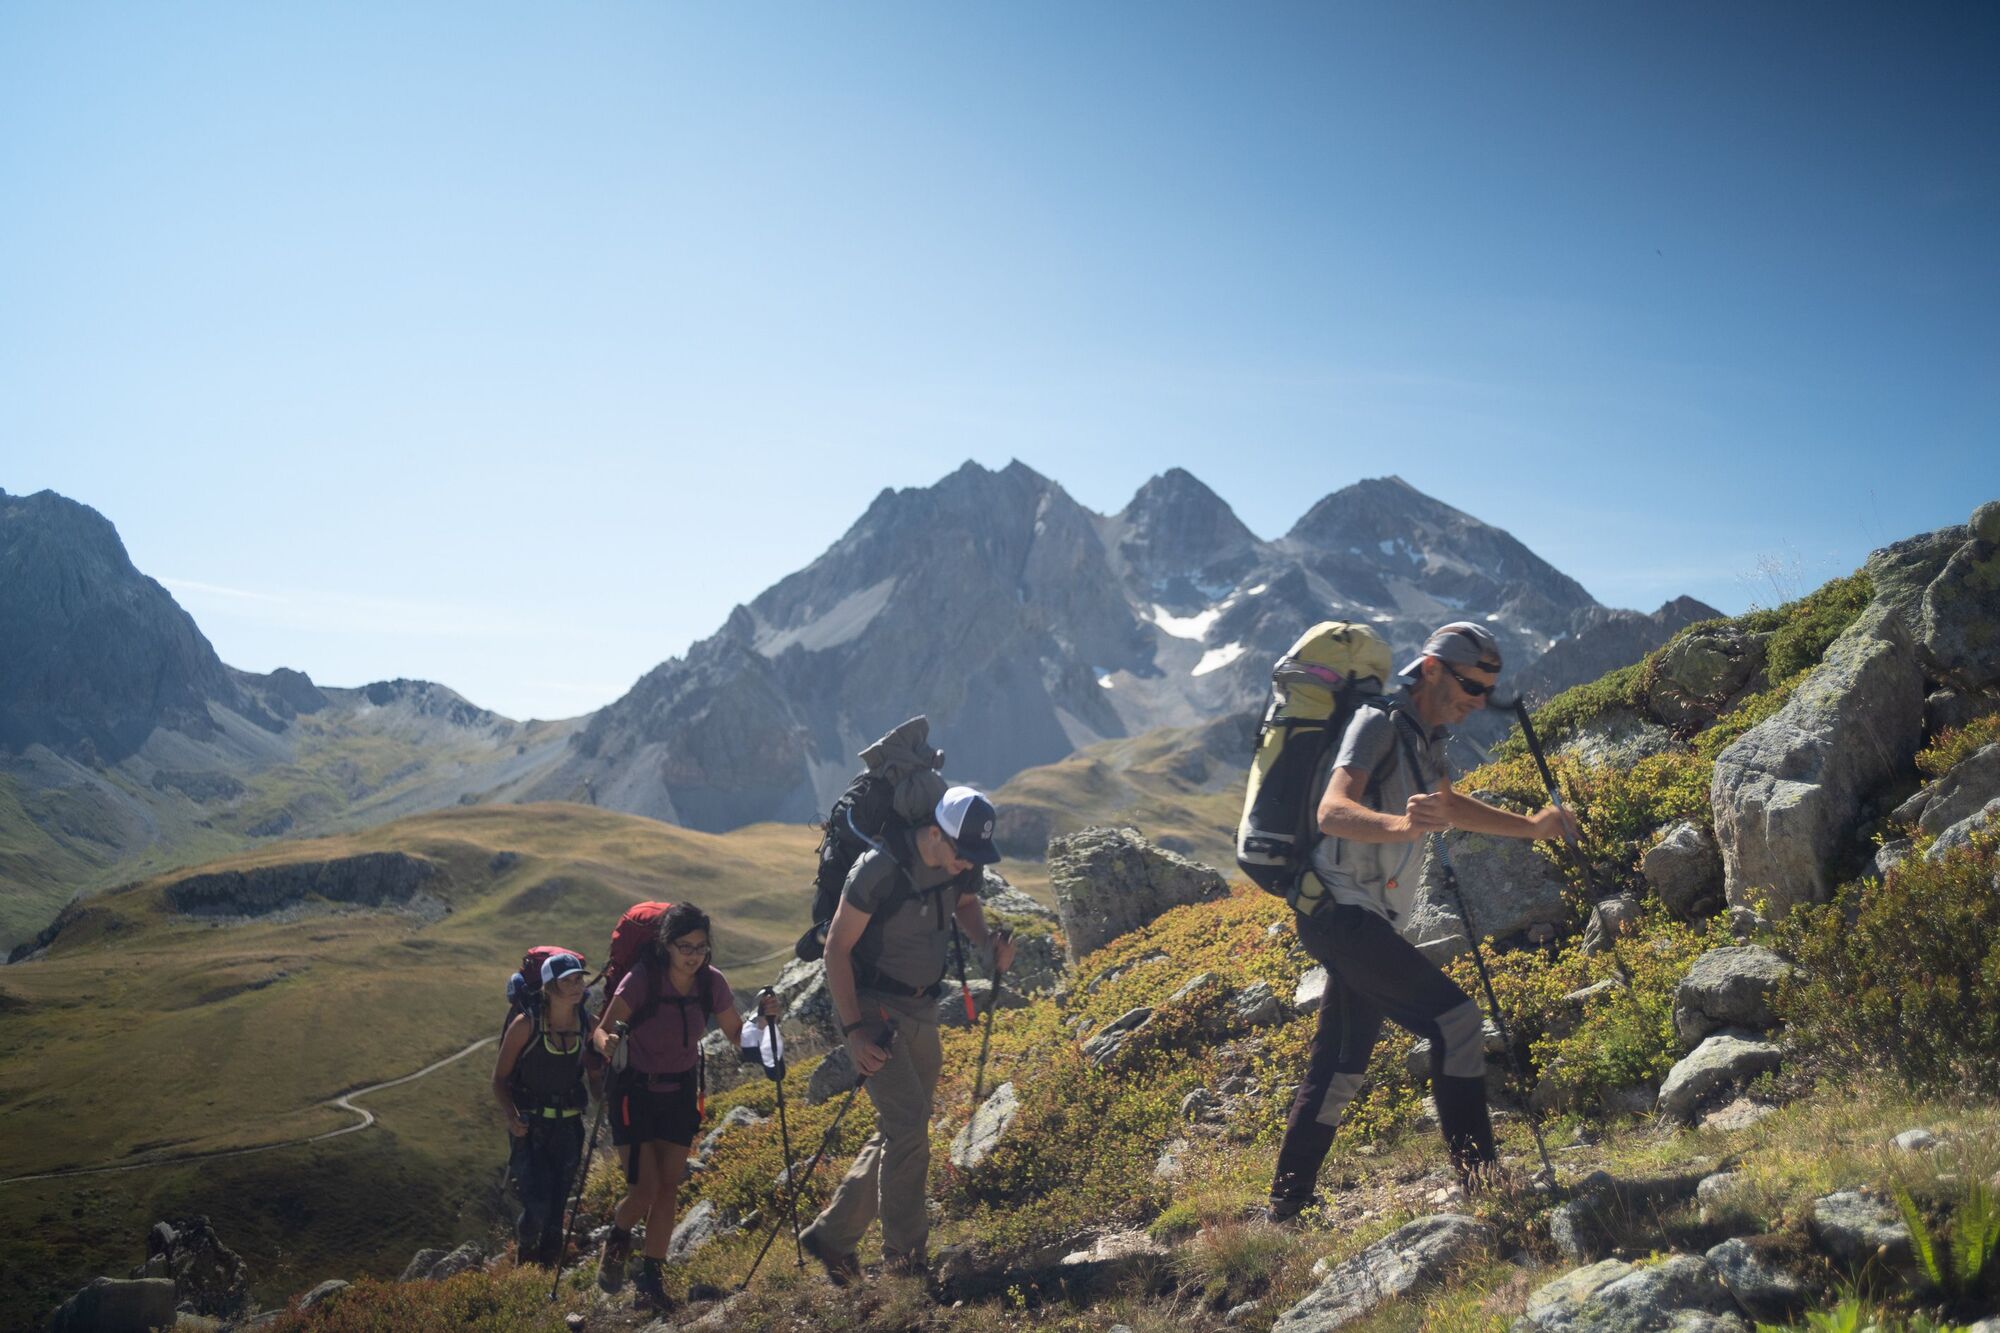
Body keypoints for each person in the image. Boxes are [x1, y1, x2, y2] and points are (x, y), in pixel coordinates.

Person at [1266, 621, 1579, 1221]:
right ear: (1432, 668)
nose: (1479, 699)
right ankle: (1484, 1186)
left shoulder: (1426, 736)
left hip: (1363, 918)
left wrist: (1532, 826)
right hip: (1338, 912)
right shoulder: (1378, 724)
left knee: (1340, 1063)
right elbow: (1333, 811)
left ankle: (1286, 1210)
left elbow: (1448, 806)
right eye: (1469, 684)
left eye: (1488, 688)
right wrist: (1402, 828)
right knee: (1457, 1021)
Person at [798, 785, 1016, 1284]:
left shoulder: (962, 862)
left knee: (904, 1127)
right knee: (909, 1124)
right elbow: (836, 950)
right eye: (963, 854)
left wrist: (988, 945)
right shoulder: (879, 869)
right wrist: (855, 1032)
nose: (968, 865)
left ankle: (832, 1237)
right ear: (934, 833)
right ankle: (905, 1263)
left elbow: (964, 905)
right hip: (874, 1008)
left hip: (922, 1005)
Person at [592, 902, 778, 1310]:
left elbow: (736, 1035)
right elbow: (602, 1029)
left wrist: (763, 1022)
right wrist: (607, 1044)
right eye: (684, 946)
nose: (693, 955)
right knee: (644, 1189)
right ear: (666, 945)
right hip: (633, 1092)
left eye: (700, 947)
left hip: (680, 1092)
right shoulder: (641, 980)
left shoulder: (711, 983)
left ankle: (651, 1281)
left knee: (669, 1188)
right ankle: (619, 1238)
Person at [491, 951, 604, 1266]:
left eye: (580, 978)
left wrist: (602, 1092)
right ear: (549, 987)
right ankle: (526, 1260)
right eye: (568, 980)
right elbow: (499, 1080)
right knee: (537, 1204)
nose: (578, 985)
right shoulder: (524, 1026)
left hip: (569, 1128)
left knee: (556, 1208)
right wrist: (512, 1118)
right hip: (530, 1129)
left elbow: (596, 1071)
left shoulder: (587, 1024)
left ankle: (546, 1270)